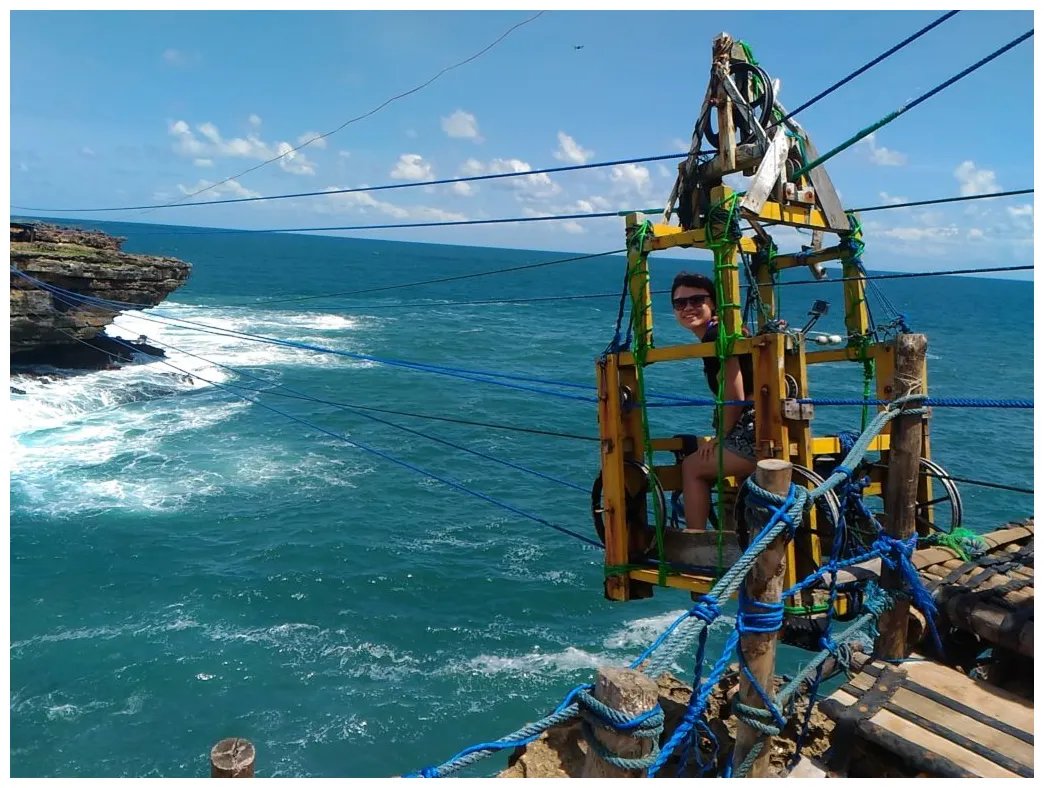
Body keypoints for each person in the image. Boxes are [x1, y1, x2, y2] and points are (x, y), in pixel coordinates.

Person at [670, 271, 758, 531]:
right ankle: (742, 540)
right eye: (679, 303)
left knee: (693, 467)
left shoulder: (715, 337)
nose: (688, 308)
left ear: (714, 304)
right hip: (766, 425)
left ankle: (695, 540)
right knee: (740, 480)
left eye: (697, 300)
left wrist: (721, 435)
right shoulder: (723, 332)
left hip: (755, 431)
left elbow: (735, 394)